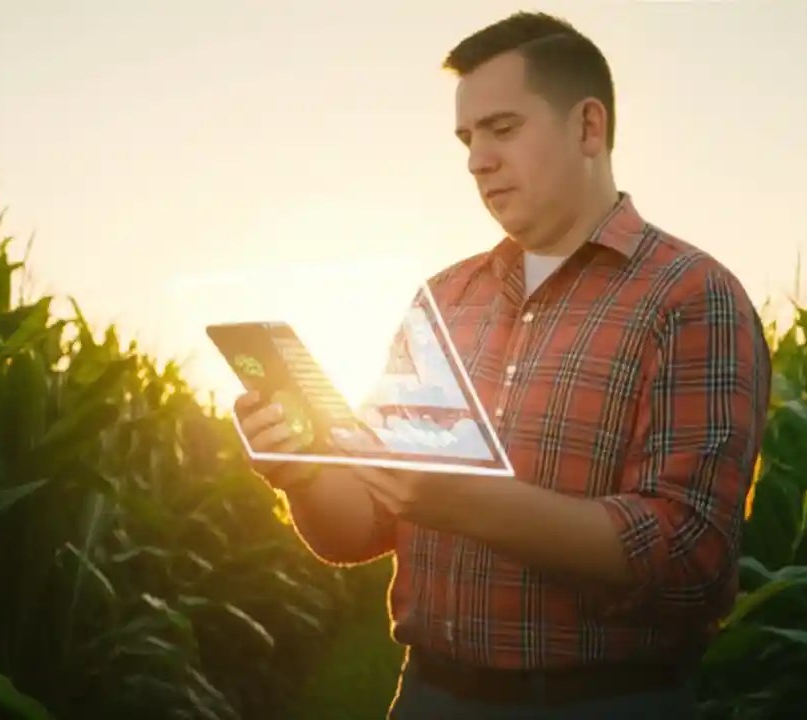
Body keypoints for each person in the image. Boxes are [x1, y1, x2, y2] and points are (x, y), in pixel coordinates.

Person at [233, 11, 771, 719]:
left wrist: (466, 502)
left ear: (589, 127)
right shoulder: (444, 299)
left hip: (605, 704)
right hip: (428, 695)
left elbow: (691, 560)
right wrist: (301, 471)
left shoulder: (691, 298)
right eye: (467, 137)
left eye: (503, 129)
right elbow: (358, 530)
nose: (476, 160)